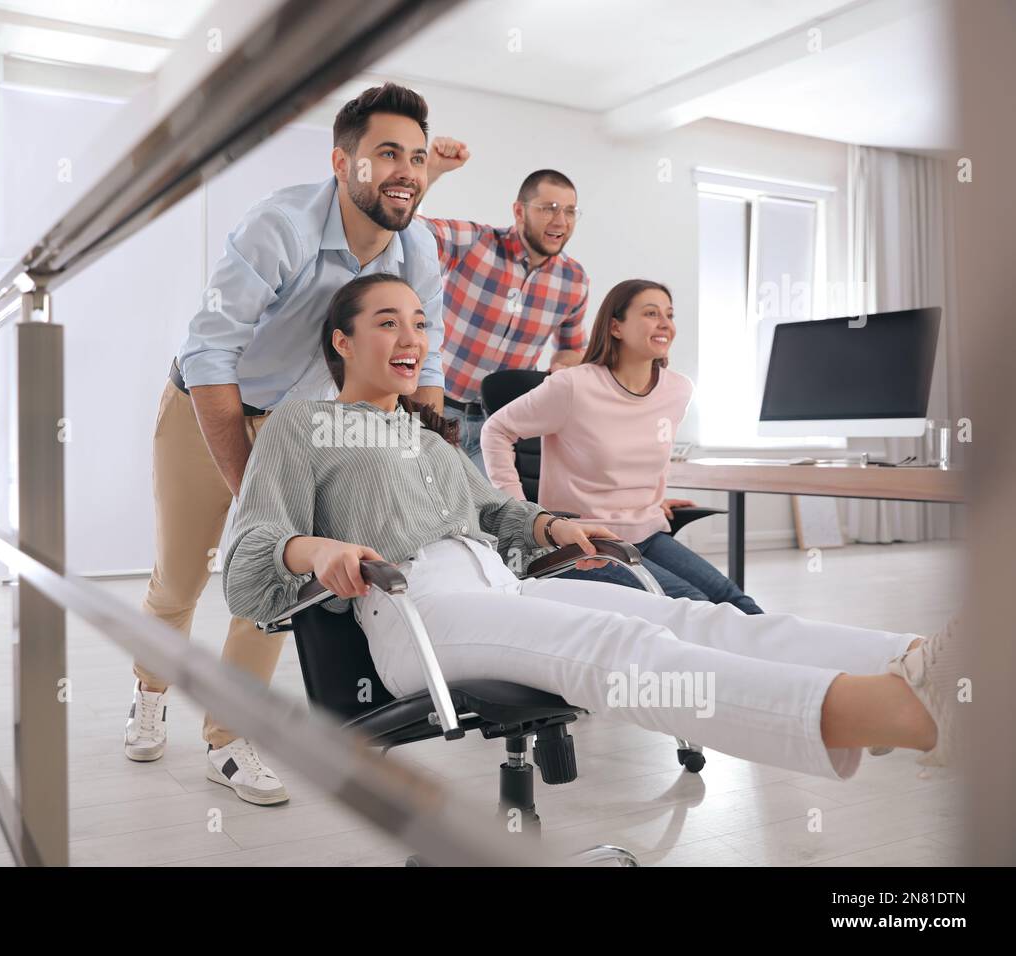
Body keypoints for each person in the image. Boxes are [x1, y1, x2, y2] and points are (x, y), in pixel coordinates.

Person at [222, 273, 962, 784]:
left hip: (497, 588)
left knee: (692, 617)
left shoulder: (425, 435)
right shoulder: (302, 426)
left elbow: (493, 515)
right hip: (414, 611)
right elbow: (247, 562)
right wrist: (314, 547)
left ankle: (928, 663)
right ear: (342, 343)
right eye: (387, 323)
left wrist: (546, 525)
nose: (412, 337)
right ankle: (896, 714)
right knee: (618, 646)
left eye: (419, 321)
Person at [127, 83, 447, 806]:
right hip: (207, 404)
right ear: (343, 162)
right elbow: (210, 355)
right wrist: (249, 491)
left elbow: (424, 363)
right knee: (181, 577)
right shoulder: (279, 228)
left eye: (418, 158)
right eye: (387, 153)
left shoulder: (416, 246)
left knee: (272, 585)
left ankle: (228, 741)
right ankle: (150, 692)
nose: (406, 170)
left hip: (301, 422)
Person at [481, 278, 763, 613]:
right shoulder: (573, 386)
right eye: (650, 313)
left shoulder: (677, 390)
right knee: (698, 608)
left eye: (669, 315)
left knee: (737, 602)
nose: (665, 324)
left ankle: (799, 665)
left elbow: (645, 454)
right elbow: (496, 430)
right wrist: (525, 515)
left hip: (649, 531)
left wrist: (652, 501)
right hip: (586, 540)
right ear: (616, 326)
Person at [416, 141, 591, 472]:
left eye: (570, 211)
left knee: (486, 520)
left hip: (501, 424)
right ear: (520, 211)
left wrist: (563, 369)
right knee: (422, 514)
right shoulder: (474, 243)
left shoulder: (575, 280)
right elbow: (408, 227)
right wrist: (433, 169)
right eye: (549, 207)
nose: (560, 220)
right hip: (436, 411)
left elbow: (570, 349)